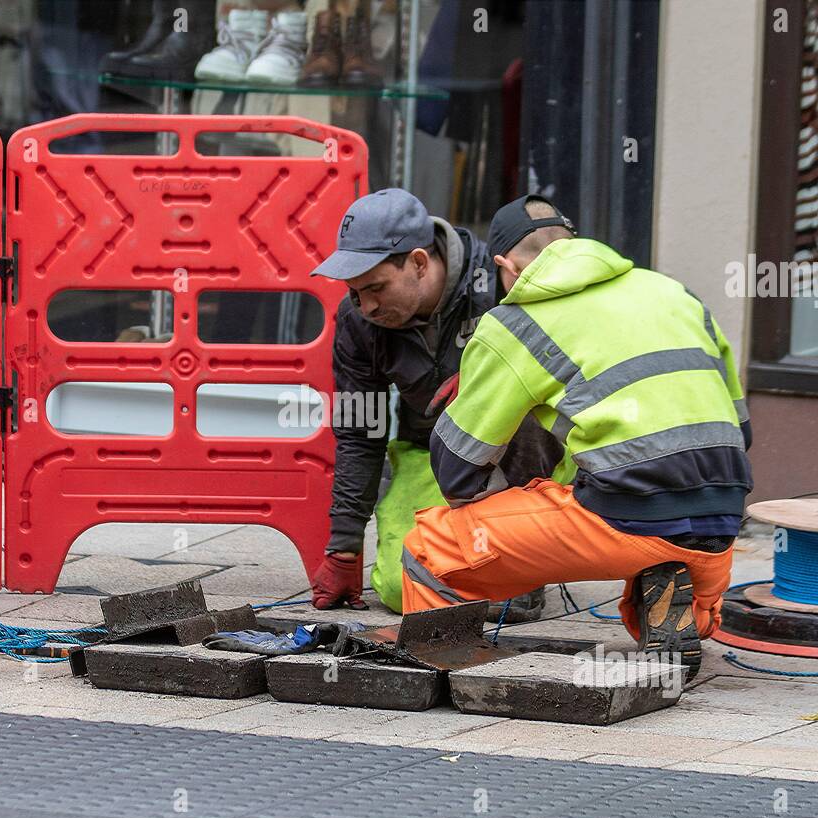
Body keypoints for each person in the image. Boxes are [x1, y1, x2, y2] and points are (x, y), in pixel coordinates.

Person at [401, 195, 753, 675]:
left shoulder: (515, 321)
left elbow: (458, 471)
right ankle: (673, 596)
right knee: (643, 514)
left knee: (429, 548)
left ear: (505, 266)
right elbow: (742, 430)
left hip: (625, 522)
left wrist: (499, 499)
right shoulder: (675, 294)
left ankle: (434, 676)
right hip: (720, 530)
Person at [307, 188, 560, 617]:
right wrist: (344, 548)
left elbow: (571, 360)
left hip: (526, 453)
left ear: (419, 263)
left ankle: (526, 554)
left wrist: (494, 375)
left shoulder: (496, 276)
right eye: (354, 293)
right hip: (435, 452)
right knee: (396, 586)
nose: (366, 306)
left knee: (520, 409)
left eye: (376, 288)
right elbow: (359, 431)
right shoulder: (358, 324)